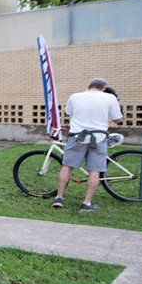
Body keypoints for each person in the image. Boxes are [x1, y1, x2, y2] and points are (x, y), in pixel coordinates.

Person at [52, 78, 123, 211]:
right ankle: (86, 203)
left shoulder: (75, 96)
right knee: (94, 170)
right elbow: (117, 119)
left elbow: (69, 112)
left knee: (67, 166)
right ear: (104, 88)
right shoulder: (109, 98)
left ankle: (59, 197)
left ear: (88, 86)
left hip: (77, 136)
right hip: (99, 137)